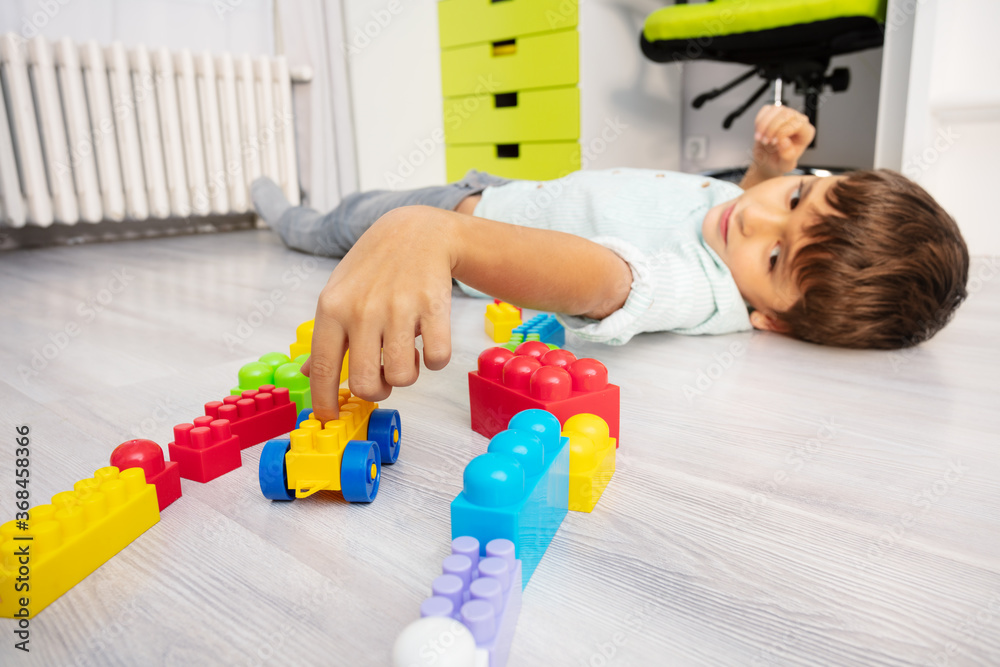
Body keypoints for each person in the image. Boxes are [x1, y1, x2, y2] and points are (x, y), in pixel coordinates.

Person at [250, 105, 969, 421]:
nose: (755, 214)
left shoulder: (700, 290)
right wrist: (765, 166)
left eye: (777, 254)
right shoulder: (746, 219)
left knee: (341, 223)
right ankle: (311, 212)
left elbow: (605, 280)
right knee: (362, 209)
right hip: (504, 193)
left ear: (770, 320)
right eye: (803, 192)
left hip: (468, 223)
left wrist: (444, 237)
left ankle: (286, 216)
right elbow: (749, 205)